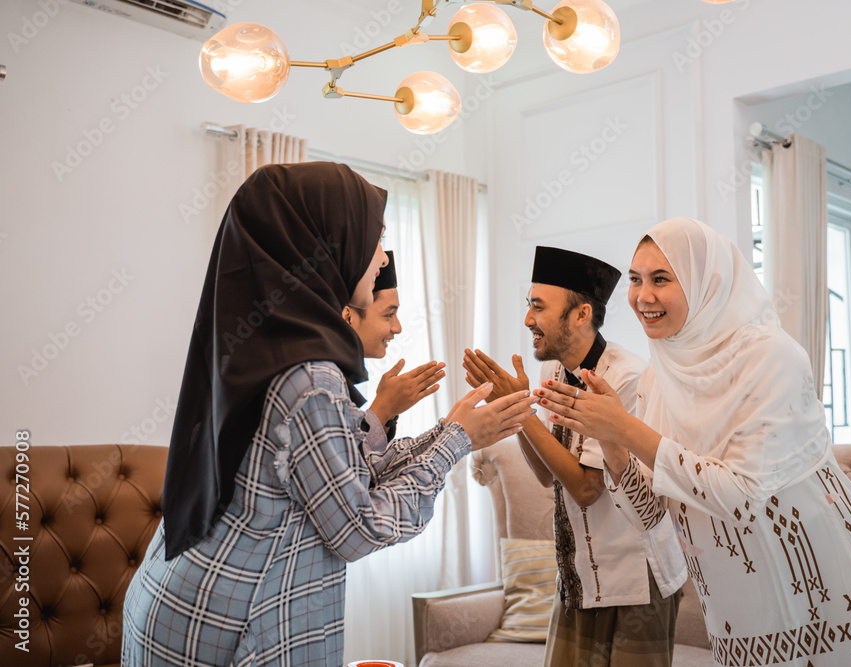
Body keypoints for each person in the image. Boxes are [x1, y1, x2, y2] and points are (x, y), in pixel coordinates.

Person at [122, 162, 536, 667]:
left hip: (182, 601)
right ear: (328, 244)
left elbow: (339, 474)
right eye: (376, 240)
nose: (380, 257)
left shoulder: (267, 345)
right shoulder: (310, 376)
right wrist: (455, 440)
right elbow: (358, 527)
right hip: (227, 624)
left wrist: (452, 430)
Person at [535, 218, 851, 667]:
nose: (643, 296)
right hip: (737, 597)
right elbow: (650, 516)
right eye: (635, 280)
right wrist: (611, 440)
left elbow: (742, 495)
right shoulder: (658, 377)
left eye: (661, 279)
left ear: (705, 281)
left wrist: (627, 429)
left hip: (820, 576)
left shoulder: (770, 356)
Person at [463, 246, 687, 667]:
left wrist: (522, 409)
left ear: (581, 314)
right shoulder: (552, 372)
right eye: (528, 305)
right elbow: (550, 476)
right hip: (578, 576)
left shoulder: (626, 377)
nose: (528, 319)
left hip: (636, 579)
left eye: (538, 306)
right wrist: (516, 411)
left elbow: (586, 489)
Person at [342, 250, 445, 453]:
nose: (398, 328)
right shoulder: (321, 379)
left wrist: (388, 412)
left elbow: (369, 465)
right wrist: (383, 408)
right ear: (348, 316)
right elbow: (346, 464)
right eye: (389, 314)